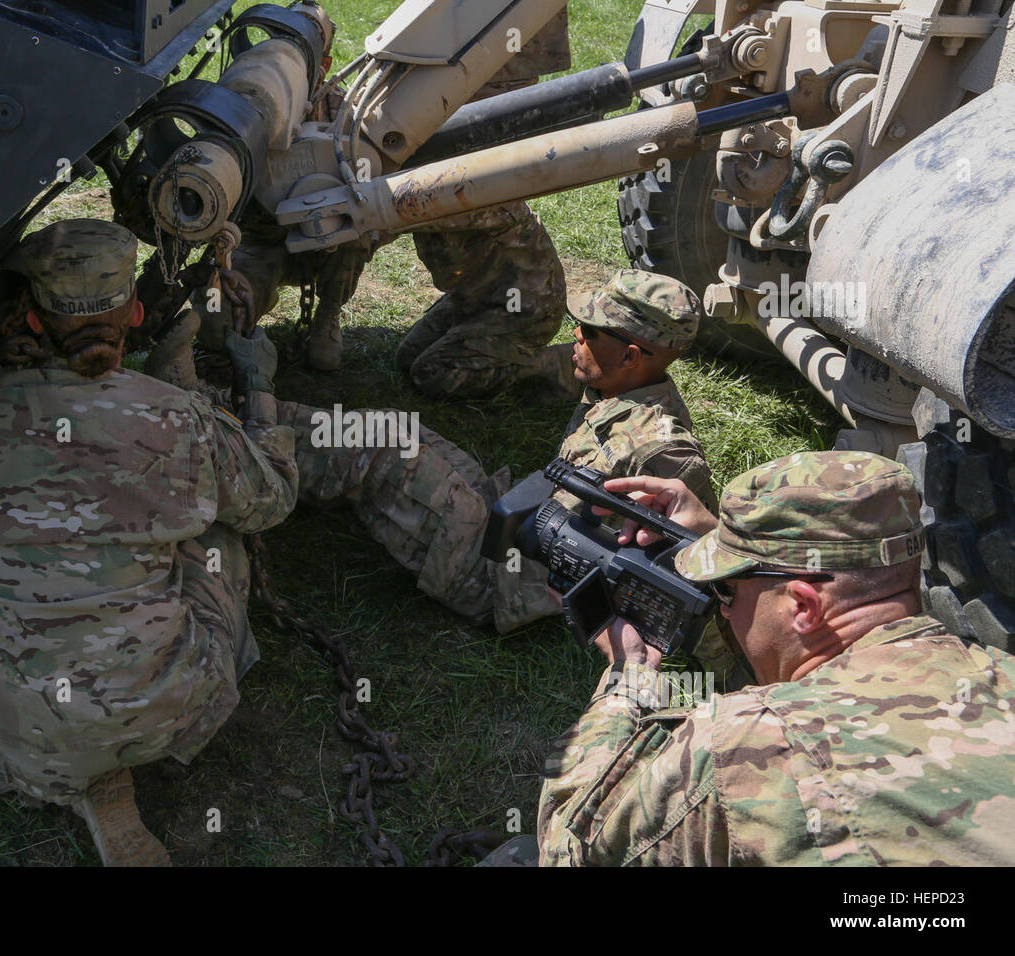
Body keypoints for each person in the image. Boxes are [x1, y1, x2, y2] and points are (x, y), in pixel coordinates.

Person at [0, 218, 296, 866]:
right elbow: (271, 502)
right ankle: (117, 744)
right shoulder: (176, 418)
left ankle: (79, 768)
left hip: (18, 736)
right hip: (168, 709)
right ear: (134, 311)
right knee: (220, 535)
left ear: (34, 322)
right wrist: (257, 387)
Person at [534, 449, 1015, 866]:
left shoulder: (745, 745)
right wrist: (723, 549)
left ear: (804, 606)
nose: (723, 606)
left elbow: (571, 844)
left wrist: (627, 677)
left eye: (726, 591)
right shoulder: (1002, 673)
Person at [277, 270, 742, 686]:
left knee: (377, 449)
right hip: (515, 515)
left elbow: (705, 582)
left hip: (503, 576)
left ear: (631, 356)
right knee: (395, 427)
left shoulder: (663, 450)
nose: (575, 335)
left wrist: (731, 673)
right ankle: (258, 428)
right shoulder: (618, 383)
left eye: (591, 331)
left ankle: (249, 444)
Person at [199, 10, 572, 395]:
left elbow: (375, 211)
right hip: (470, 296)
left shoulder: (460, 187)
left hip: (522, 303)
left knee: (434, 375)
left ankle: (557, 368)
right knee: (408, 358)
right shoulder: (333, 122)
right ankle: (474, 331)